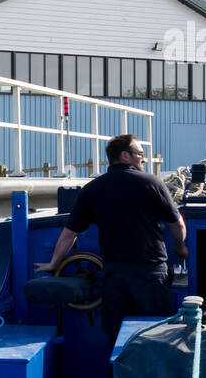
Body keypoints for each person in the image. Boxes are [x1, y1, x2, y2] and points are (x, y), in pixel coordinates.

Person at [37, 133, 187, 344]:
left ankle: (118, 376)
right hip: (150, 274)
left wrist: (54, 263)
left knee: (118, 340)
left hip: (114, 277)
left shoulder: (93, 189)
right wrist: (180, 247)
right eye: (140, 154)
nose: (143, 159)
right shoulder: (151, 183)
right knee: (157, 337)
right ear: (125, 156)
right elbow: (177, 224)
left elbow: (70, 233)